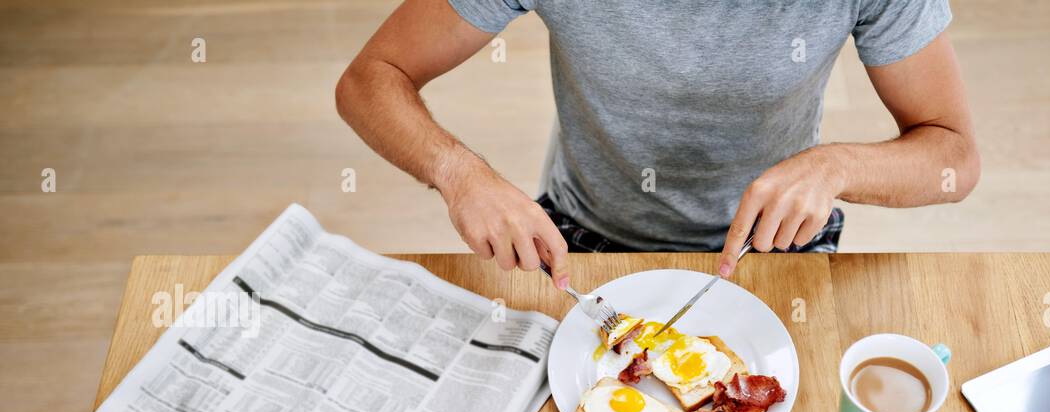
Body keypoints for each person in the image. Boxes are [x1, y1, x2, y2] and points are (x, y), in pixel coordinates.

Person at [336, 0, 978, 292]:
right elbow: (371, 79)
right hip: (583, 234)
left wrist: (838, 165)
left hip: (779, 244)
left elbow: (953, 155)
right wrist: (462, 175)